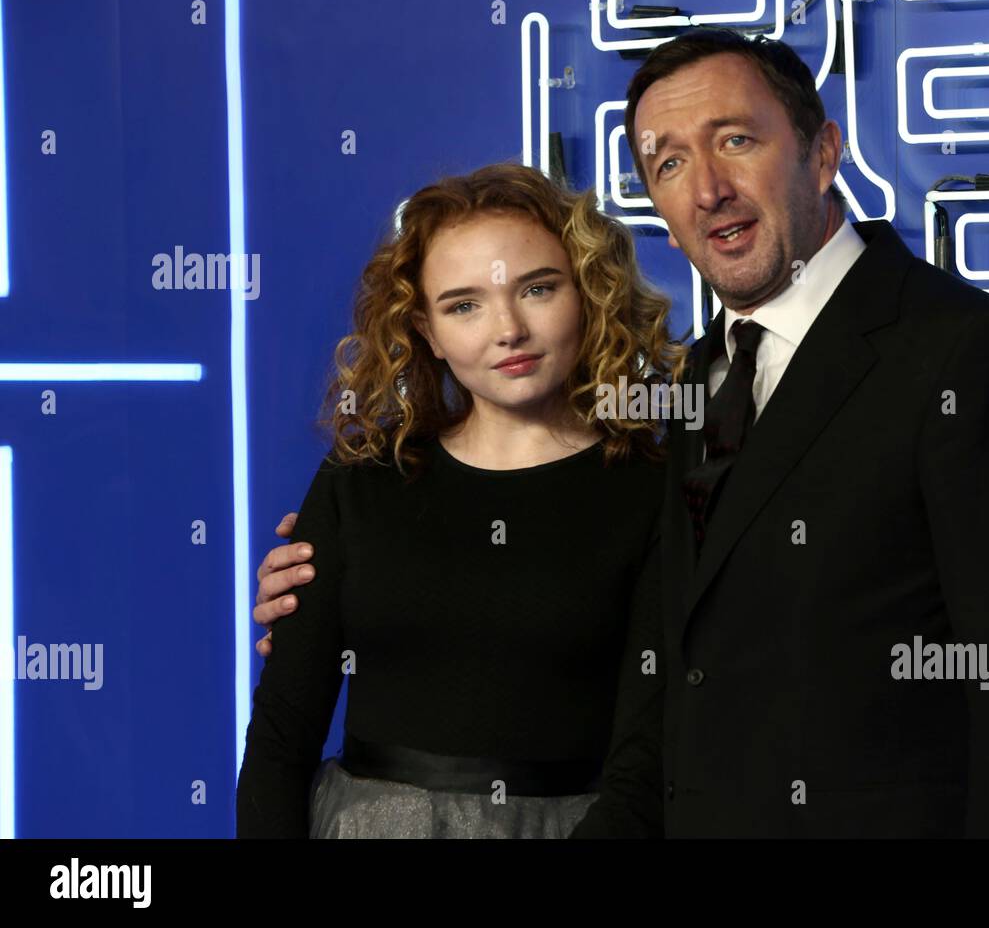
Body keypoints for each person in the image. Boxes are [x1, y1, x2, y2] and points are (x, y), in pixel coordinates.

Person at [257, 27, 989, 837]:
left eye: (736, 140)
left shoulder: (968, 355)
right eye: (668, 163)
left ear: (823, 152)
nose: (707, 188)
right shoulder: (695, 385)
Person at [236, 162, 683, 838]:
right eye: (463, 304)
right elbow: (280, 735)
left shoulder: (654, 487)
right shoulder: (362, 477)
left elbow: (646, 757)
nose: (507, 329)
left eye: (537, 288)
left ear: (588, 292)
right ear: (426, 329)